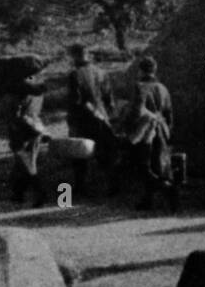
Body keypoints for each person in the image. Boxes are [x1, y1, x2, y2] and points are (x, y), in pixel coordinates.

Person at [126, 55, 178, 212]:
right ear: (154, 70)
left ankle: (166, 188)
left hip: (146, 130)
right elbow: (169, 113)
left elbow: (136, 111)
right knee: (156, 164)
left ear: (141, 70)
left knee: (142, 165)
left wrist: (128, 127)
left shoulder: (140, 86)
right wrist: (167, 131)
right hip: (162, 129)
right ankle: (148, 200)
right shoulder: (163, 88)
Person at [65, 43, 117, 196]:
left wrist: (71, 121)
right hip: (102, 118)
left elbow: (75, 101)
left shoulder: (74, 74)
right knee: (104, 153)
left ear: (74, 55)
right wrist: (109, 118)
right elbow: (109, 99)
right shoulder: (101, 72)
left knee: (79, 153)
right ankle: (112, 186)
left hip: (83, 120)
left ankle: (81, 187)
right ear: (87, 54)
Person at [8, 74, 49, 207]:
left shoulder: (23, 94)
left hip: (22, 133)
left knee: (28, 165)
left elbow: (17, 115)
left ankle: (40, 194)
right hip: (36, 128)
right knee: (23, 164)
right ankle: (18, 193)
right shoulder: (38, 93)